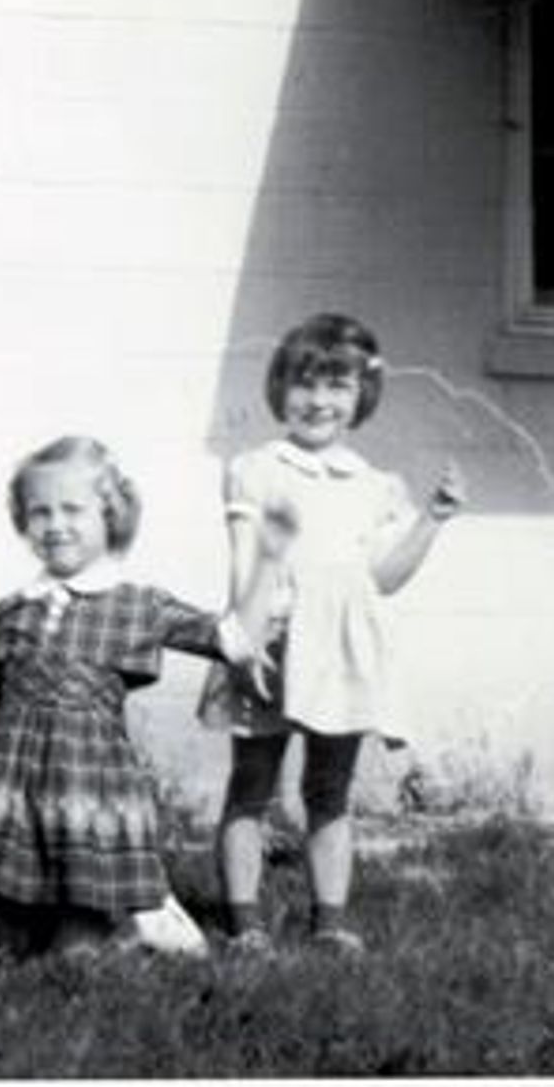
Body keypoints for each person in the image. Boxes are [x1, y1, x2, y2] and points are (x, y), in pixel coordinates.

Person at [199, 313, 467, 954]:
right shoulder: (257, 468)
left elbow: (383, 579)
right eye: (304, 383)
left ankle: (329, 923)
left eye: (337, 386)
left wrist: (432, 519)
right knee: (251, 785)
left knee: (329, 790)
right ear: (279, 388)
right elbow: (244, 564)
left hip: (342, 647)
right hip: (272, 637)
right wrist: (245, 640)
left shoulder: (375, 485)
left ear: (361, 395)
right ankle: (245, 924)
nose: (319, 400)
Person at [0, 436, 258, 957]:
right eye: (39, 512)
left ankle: (105, 930)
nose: (55, 524)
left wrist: (264, 560)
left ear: (110, 515)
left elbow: (228, 639)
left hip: (86, 773)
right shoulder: (11, 609)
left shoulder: (137, 605)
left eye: (72, 510)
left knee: (77, 937)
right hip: (10, 772)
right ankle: (14, 930)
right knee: (10, 931)